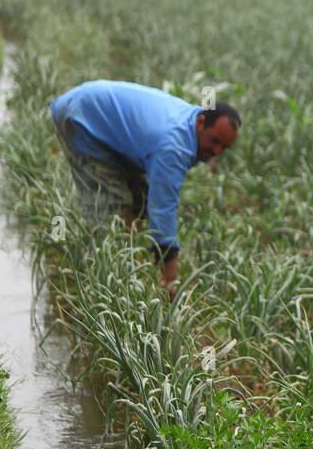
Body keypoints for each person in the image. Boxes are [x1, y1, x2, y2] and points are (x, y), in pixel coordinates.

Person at [49, 80, 240, 293]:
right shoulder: (174, 148)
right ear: (201, 122)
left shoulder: (191, 122)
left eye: (225, 147)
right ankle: (106, 282)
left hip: (92, 109)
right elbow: (163, 210)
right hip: (83, 119)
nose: (217, 151)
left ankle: (129, 260)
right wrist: (171, 281)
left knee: (140, 200)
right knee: (112, 210)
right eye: (215, 141)